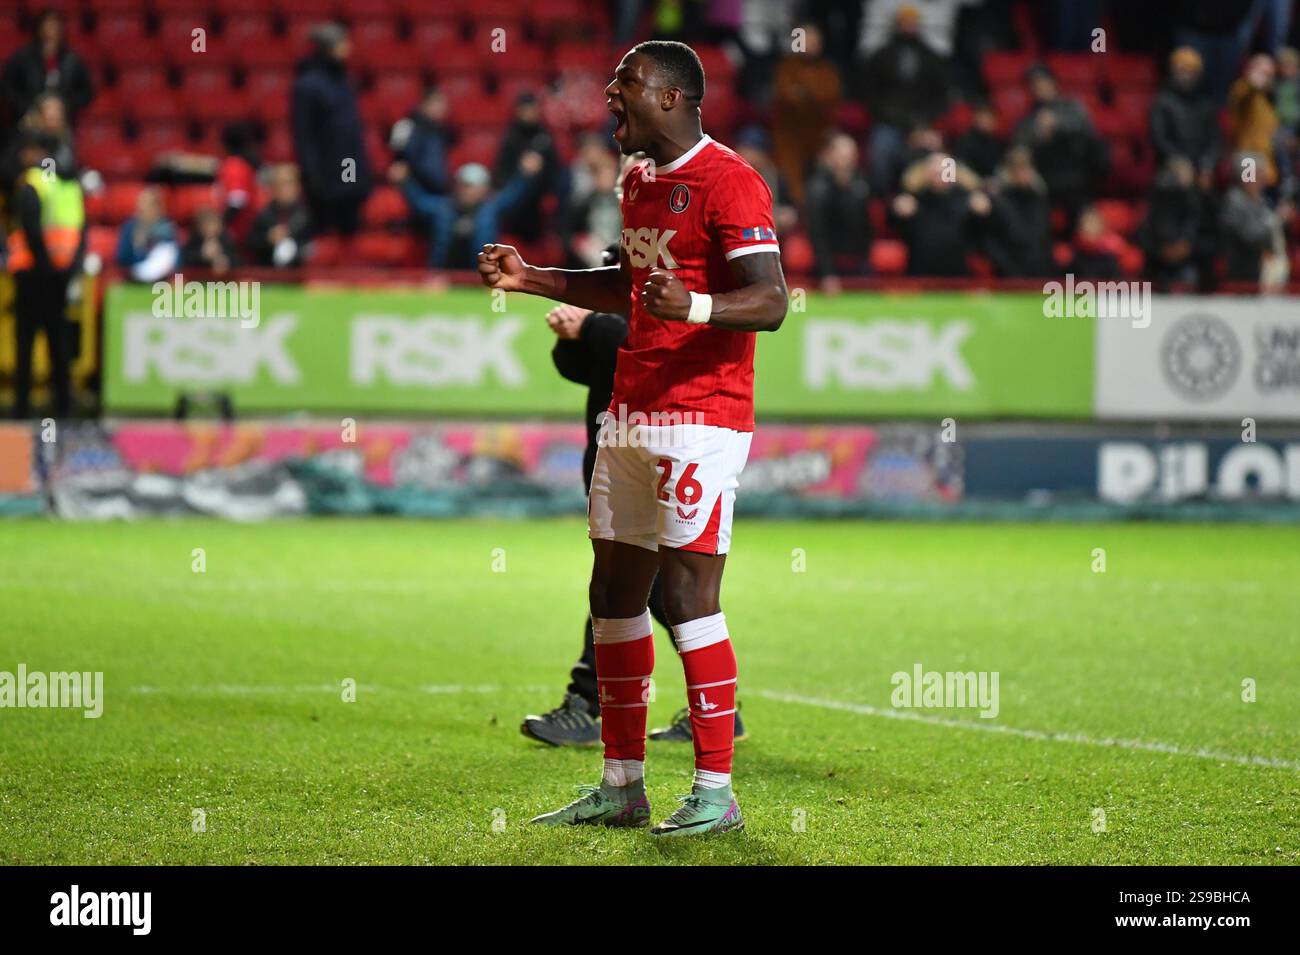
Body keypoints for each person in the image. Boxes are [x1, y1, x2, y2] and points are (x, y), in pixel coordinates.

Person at [478, 40, 787, 837]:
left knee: (686, 597)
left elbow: (771, 299)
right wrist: (533, 277)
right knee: (613, 596)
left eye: (626, 89)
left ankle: (716, 793)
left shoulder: (731, 179)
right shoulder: (637, 179)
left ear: (674, 98)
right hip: (631, 406)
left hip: (702, 414)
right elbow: (628, 283)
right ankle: (623, 785)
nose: (610, 101)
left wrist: (693, 308)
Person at [521, 249, 750, 748]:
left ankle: (587, 705)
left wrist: (590, 326)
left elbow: (650, 344)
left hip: (662, 453)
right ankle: (715, 711)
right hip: (619, 458)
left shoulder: (673, 305)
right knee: (655, 594)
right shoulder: (624, 311)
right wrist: (573, 336)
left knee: (637, 591)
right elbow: (583, 367)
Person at [6, 130, 84, 419]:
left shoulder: (34, 183)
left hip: (33, 274)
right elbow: (80, 232)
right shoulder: (70, 187)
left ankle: (22, 410)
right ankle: (63, 409)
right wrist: (69, 268)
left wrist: (46, 265)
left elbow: (32, 229)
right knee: (58, 343)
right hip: (60, 276)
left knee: (25, 344)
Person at [290, 22, 372, 235]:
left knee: (350, 229)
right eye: (342, 43)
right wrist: (312, 172)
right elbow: (303, 134)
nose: (348, 48)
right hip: (327, 172)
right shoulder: (307, 85)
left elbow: (351, 130)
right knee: (325, 232)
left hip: (349, 166)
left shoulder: (345, 80)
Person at [1, 9, 93, 124]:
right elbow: (7, 88)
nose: (50, 30)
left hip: (62, 122)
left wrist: (64, 107)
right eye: (47, 25)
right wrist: (28, 108)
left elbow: (86, 92)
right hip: (27, 121)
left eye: (55, 25)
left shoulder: (73, 61)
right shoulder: (22, 58)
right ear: (39, 28)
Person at [247, 164, 311, 268]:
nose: (283, 189)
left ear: (298, 186)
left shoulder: (309, 215)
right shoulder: (264, 216)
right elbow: (251, 243)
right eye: (279, 184)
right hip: (271, 275)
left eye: (288, 183)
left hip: (302, 274)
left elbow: (319, 245)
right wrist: (268, 238)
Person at [115, 187, 179, 283]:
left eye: (148, 205)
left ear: (157, 208)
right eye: (140, 206)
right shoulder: (130, 227)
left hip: (162, 280)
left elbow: (175, 259)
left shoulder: (167, 228)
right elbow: (121, 258)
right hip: (134, 279)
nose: (142, 210)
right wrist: (137, 246)